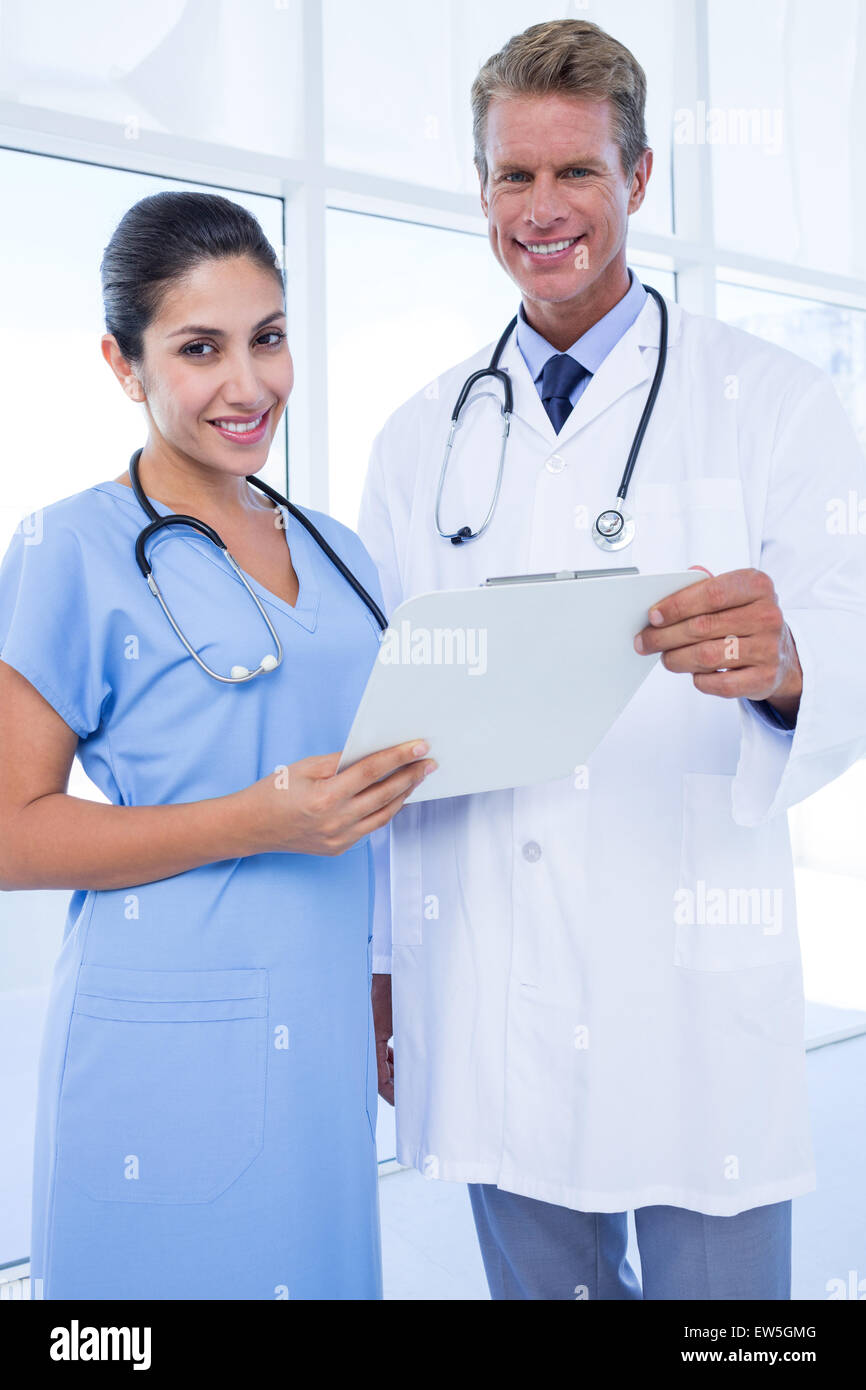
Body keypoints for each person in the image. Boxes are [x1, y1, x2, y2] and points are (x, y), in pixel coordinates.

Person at [357, 19, 866, 1300]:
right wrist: (378, 961)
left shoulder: (771, 398)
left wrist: (789, 664)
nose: (542, 209)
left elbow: (850, 627)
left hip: (686, 984)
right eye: (511, 177)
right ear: (479, 191)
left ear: (635, 181)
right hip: (485, 972)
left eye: (574, 172)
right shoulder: (419, 439)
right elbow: (377, 715)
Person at [0, 190, 436, 1300]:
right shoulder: (70, 548)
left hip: (319, 1038)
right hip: (161, 1045)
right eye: (200, 349)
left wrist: (383, 989)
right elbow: (10, 833)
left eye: (268, 338)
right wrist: (258, 819)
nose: (248, 385)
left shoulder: (338, 551)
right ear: (123, 362)